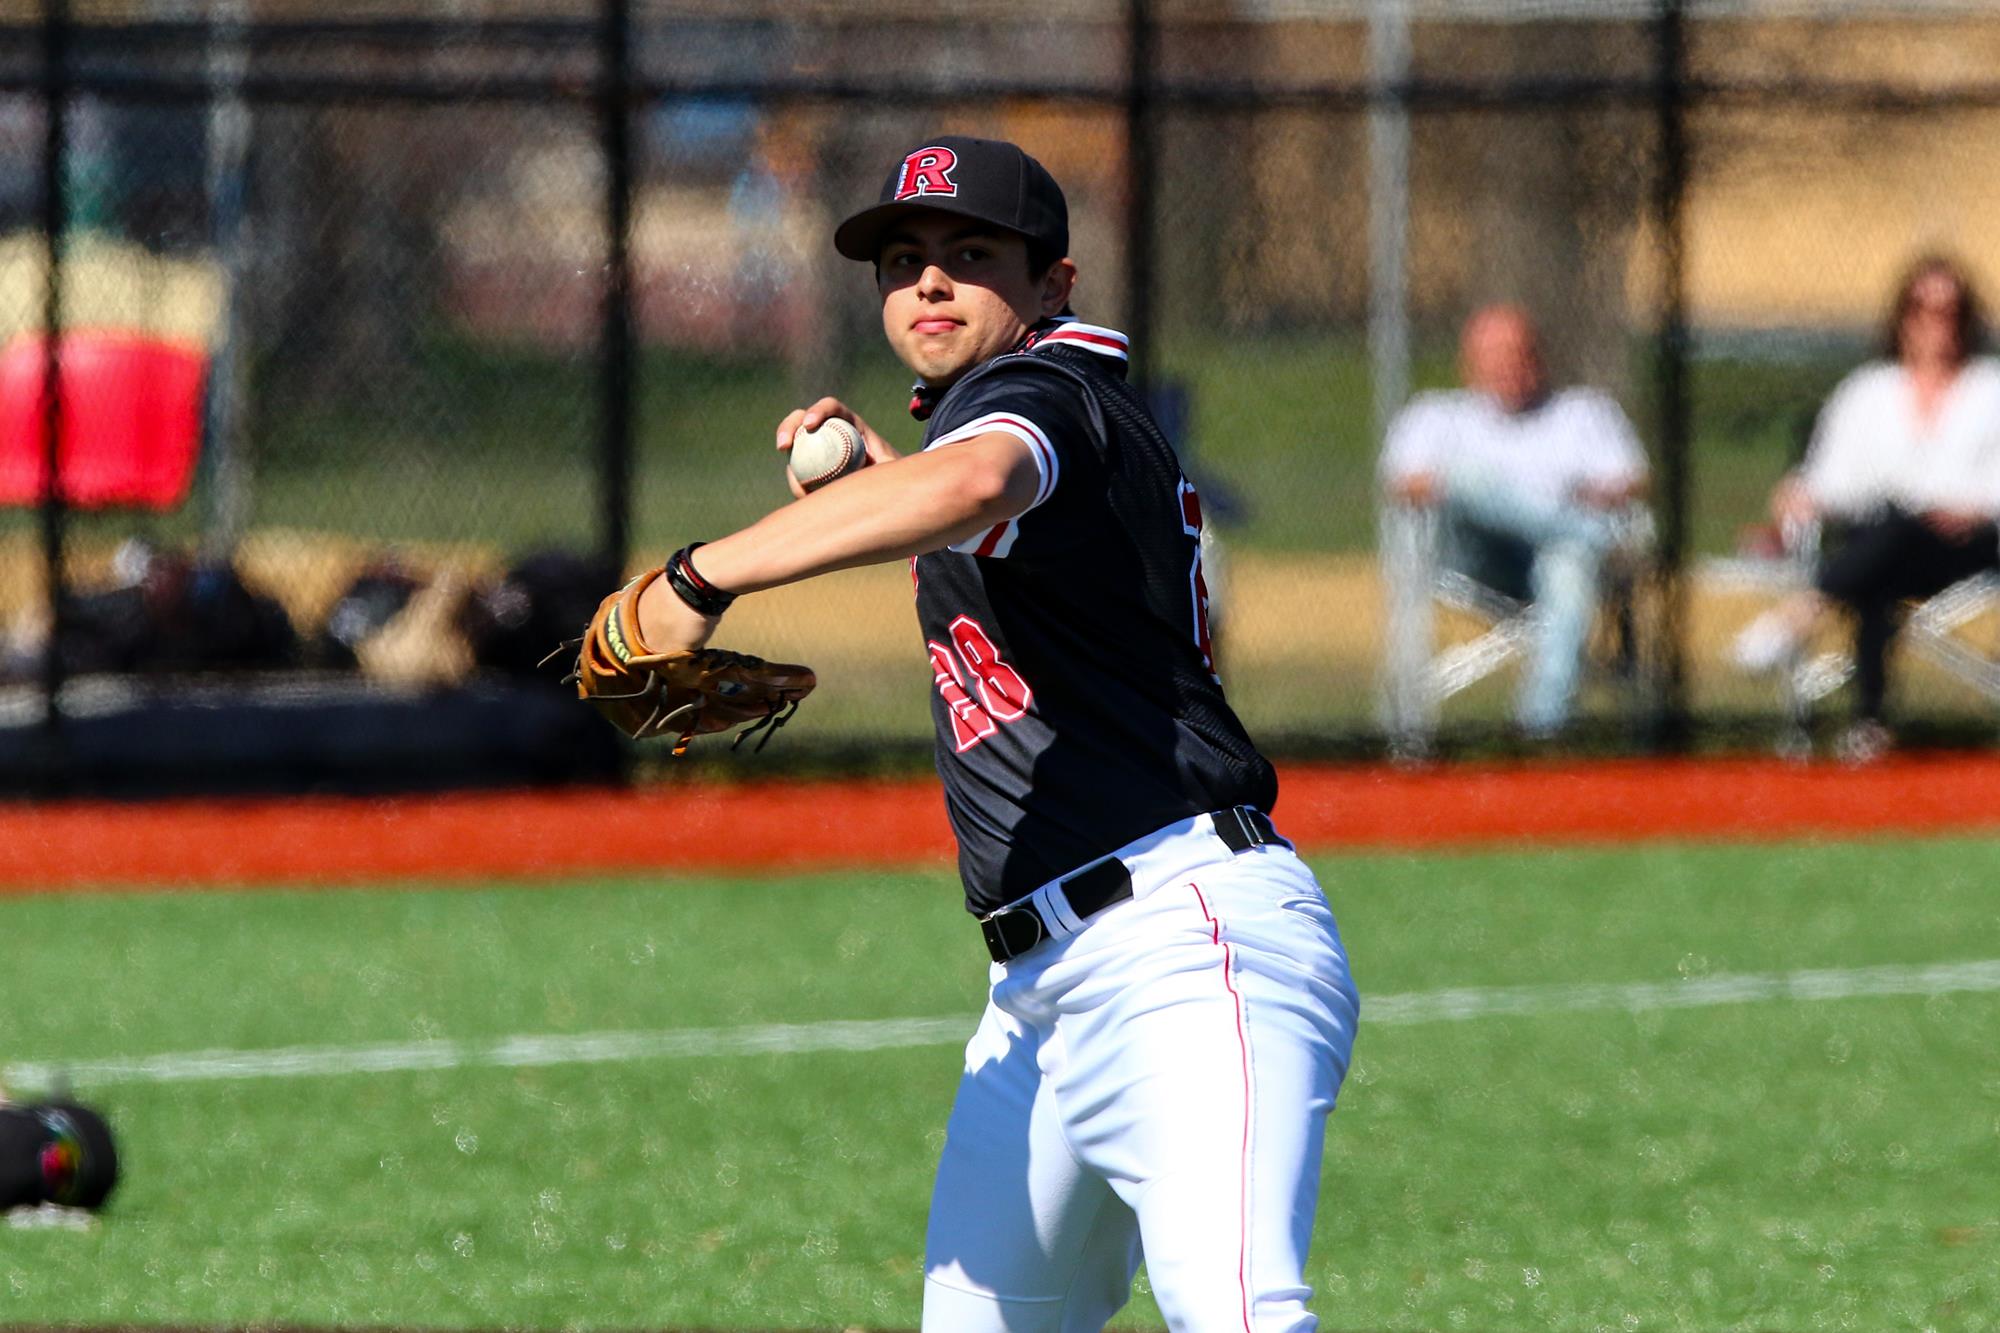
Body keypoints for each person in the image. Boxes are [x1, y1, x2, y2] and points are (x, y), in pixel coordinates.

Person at [622, 135, 1359, 1330]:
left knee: (1240, 1314)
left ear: (1052, 285)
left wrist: (705, 576)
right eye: (902, 258)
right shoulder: (1004, 418)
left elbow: (972, 487)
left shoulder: (1049, 395)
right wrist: (888, 476)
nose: (927, 280)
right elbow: (963, 494)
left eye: (971, 255)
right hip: (1041, 990)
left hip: (1182, 949)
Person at [1731, 254, 2000, 759]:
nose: (1935, 324)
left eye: (1950, 311)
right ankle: (1869, 724)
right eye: (1921, 309)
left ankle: (1800, 616)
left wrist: (1976, 509)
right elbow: (1834, 479)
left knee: (1891, 538)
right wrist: (1803, 492)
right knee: (1884, 550)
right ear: (1902, 316)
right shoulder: (1867, 392)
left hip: (1970, 546)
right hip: (1882, 543)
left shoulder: (1991, 389)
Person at [1379, 305, 1650, 736]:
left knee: (1568, 572)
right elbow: (1405, 482)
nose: (1510, 366)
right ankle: (1582, 532)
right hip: (1471, 562)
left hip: (1558, 563)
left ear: (1539, 356)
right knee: (1465, 479)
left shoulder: (1583, 412)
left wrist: (1579, 504)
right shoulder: (1436, 416)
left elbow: (1629, 480)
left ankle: (1540, 733)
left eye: (1519, 352)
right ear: (1468, 363)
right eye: (1495, 355)